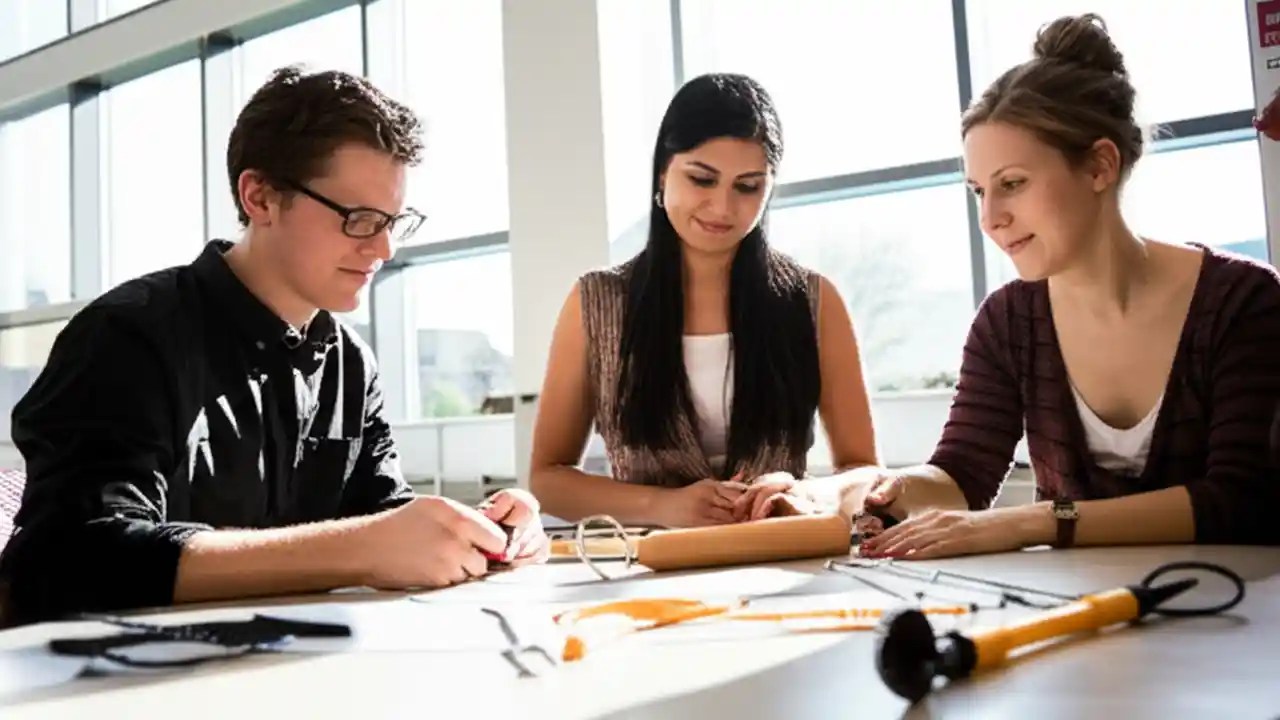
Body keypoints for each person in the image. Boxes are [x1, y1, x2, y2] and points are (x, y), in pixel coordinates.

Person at [0, 67, 548, 627]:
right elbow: (67, 561)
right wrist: (358, 548)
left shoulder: (350, 364)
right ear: (259, 197)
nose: (383, 249)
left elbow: (380, 518)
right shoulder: (126, 336)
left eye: (392, 221)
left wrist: (480, 531)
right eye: (358, 219)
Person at [795, 14, 1280, 559]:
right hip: (1083, 617)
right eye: (979, 191)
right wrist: (874, 488)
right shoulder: (1007, 322)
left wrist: (1037, 522)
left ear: (1099, 165)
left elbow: (1240, 500)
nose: (990, 217)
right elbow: (962, 475)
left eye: (1013, 184)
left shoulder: (1243, 302)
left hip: (1244, 621)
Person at [528, 73, 879, 528]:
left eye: (747, 186)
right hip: (649, 569)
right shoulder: (596, 301)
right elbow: (548, 477)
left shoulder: (812, 299)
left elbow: (866, 470)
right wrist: (662, 505)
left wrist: (808, 494)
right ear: (662, 173)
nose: (722, 207)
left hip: (781, 561)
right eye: (701, 179)